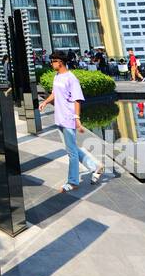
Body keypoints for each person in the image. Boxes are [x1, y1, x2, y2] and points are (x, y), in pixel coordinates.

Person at [40, 51, 103, 193]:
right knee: (72, 148)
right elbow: (55, 93)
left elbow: (77, 99)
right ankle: (95, 167)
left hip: (68, 118)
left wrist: (77, 119)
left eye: (53, 61)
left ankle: (73, 182)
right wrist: (45, 102)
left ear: (60, 62)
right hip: (60, 118)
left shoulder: (71, 78)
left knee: (71, 153)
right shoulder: (57, 76)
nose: (51, 64)